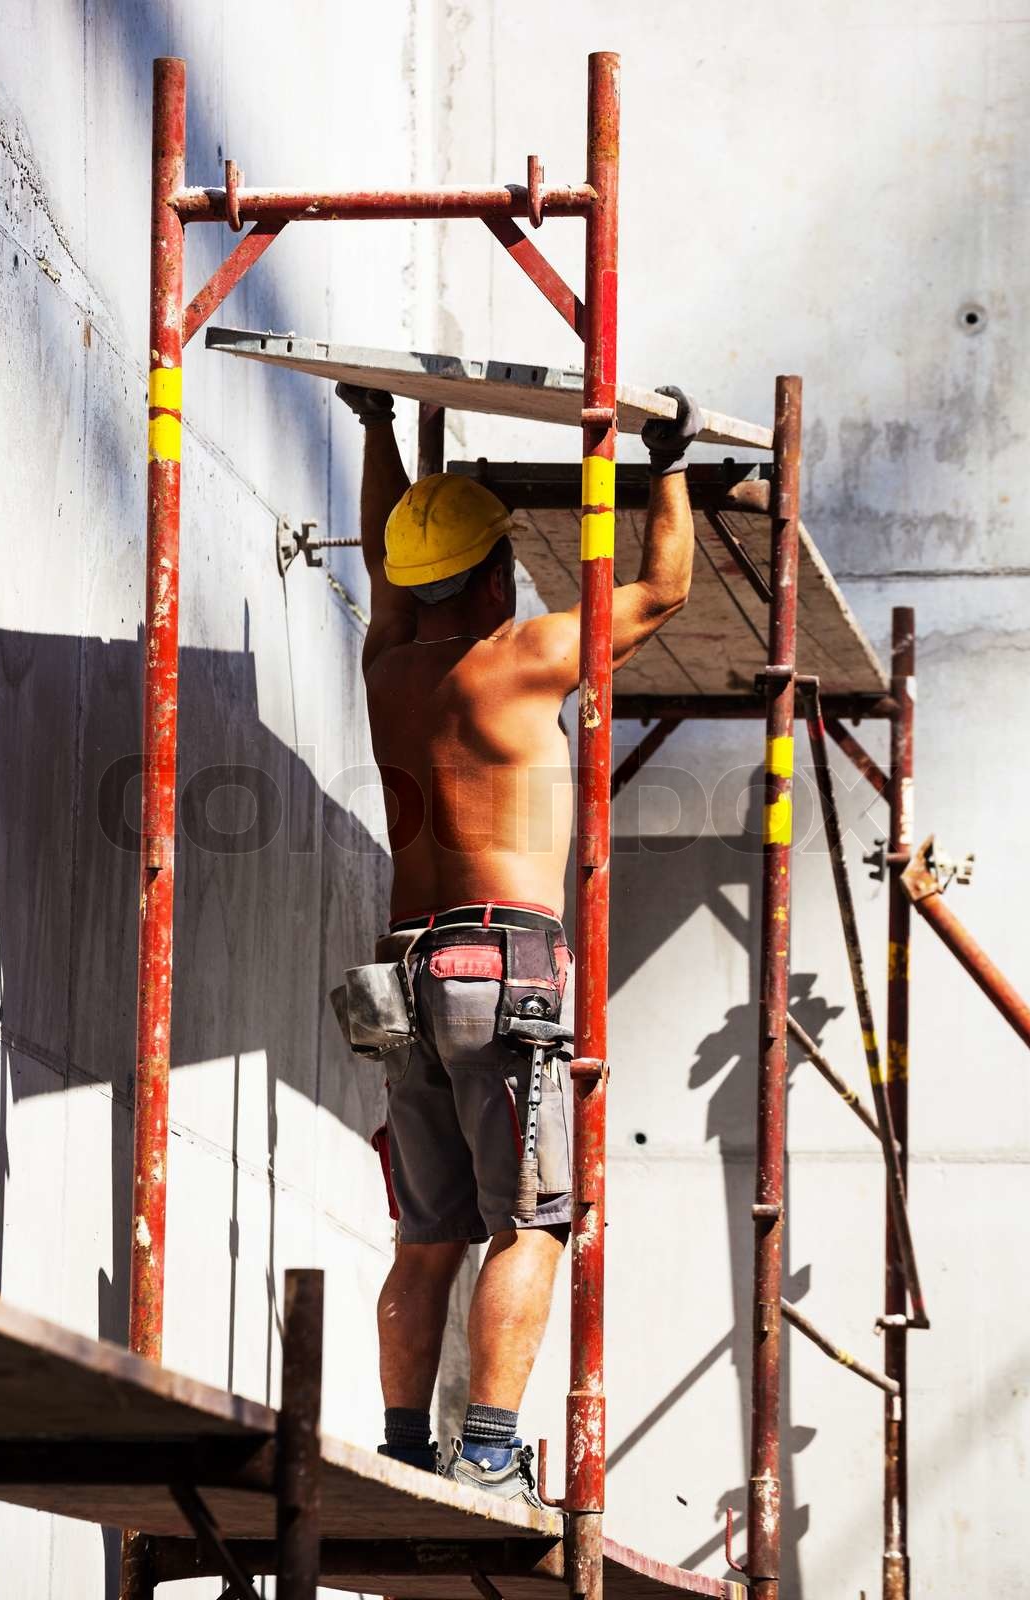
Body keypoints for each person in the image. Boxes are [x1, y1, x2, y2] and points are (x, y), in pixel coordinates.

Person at [335, 379, 700, 1503]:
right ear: (495, 572)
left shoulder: (386, 665)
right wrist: (668, 462)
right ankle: (489, 1452)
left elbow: (384, 565)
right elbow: (664, 589)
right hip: (503, 967)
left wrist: (378, 428)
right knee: (533, 1222)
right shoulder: (531, 652)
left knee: (425, 1233)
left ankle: (404, 1445)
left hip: (400, 969)